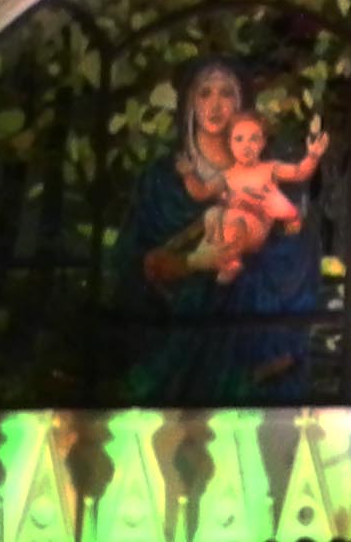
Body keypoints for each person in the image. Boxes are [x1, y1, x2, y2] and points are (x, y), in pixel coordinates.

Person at [122, 60, 322, 399]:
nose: (215, 105)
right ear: (190, 103)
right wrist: (180, 265)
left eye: (227, 94)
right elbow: (132, 260)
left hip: (246, 331)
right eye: (204, 93)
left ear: (242, 104)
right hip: (171, 331)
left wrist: (248, 250)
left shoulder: (266, 174)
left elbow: (296, 255)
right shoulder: (162, 180)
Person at [193, 112, 328, 281]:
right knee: (211, 214)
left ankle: (230, 261)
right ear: (229, 143)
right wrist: (188, 175)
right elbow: (202, 191)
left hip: (254, 227)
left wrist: (313, 156)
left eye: (253, 139)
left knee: (236, 221)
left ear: (262, 143)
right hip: (229, 226)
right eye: (239, 139)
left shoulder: (269, 169)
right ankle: (221, 259)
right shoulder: (227, 175)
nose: (246, 145)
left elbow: (299, 172)